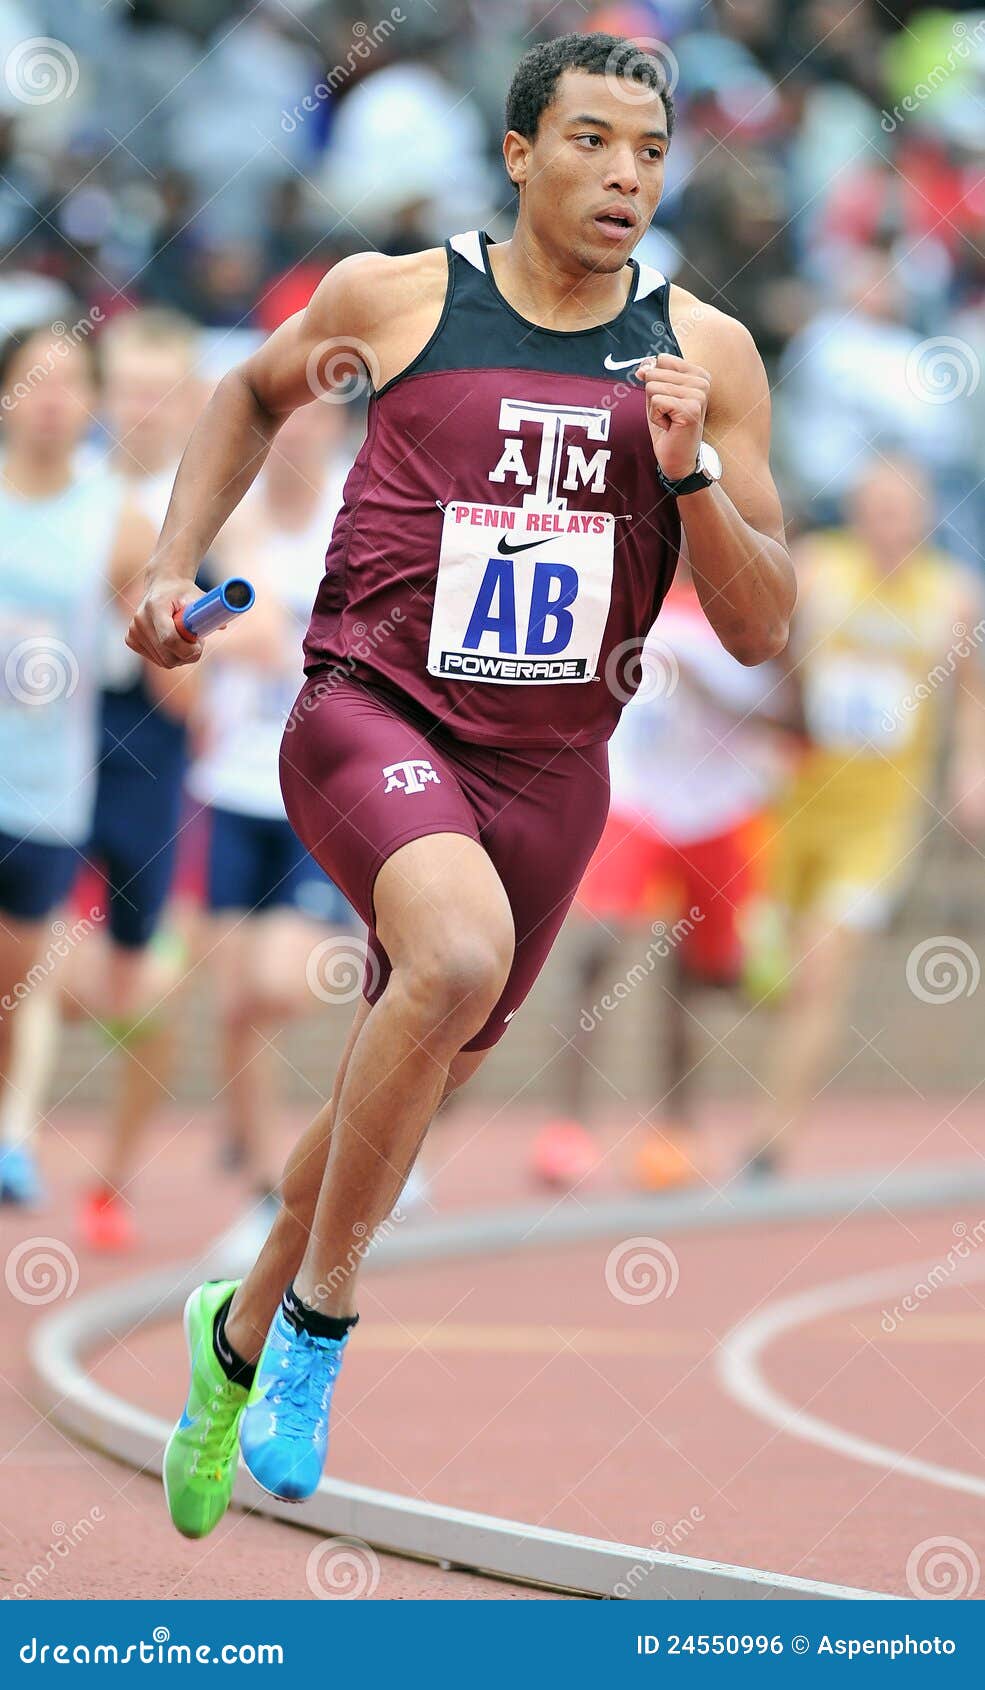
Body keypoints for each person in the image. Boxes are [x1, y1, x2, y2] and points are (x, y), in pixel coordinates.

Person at [127, 33, 794, 1539]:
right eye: (590, 142)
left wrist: (685, 477)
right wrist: (173, 568)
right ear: (517, 152)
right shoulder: (401, 297)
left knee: (408, 1069)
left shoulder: (707, 352)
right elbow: (246, 393)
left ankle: (231, 1335)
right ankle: (318, 1324)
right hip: (369, 706)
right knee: (454, 957)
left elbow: (762, 629)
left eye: (648, 149)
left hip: (554, 769)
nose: (624, 173)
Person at [743, 454, 985, 1176]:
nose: (888, 525)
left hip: (877, 821)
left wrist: (969, 768)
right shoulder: (817, 567)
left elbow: (969, 691)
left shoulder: (951, 595)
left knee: (821, 972)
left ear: (922, 517)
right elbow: (762, 652)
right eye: (875, 510)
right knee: (761, 974)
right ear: (855, 512)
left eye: (901, 512)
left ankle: (770, 1140)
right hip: (788, 804)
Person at [533, 561, 789, 1192]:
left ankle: (673, 1132)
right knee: (597, 953)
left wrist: (713, 689)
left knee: (701, 980)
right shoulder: (627, 583)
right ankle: (568, 1131)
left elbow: (798, 723)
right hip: (635, 798)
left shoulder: (753, 601)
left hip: (721, 808)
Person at [188, 404, 359, 1252]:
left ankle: (359, 1155)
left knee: (280, 985)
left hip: (318, 790)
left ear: (335, 429)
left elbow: (289, 638)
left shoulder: (356, 512)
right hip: (232, 786)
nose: (293, 437)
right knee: (232, 1006)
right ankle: (265, 1188)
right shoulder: (237, 512)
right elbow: (227, 631)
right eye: (280, 422)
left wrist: (272, 632)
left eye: (311, 422)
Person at [0, 324, 154, 1204]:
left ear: (92, 402)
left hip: (46, 794)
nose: (51, 399)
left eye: (69, 383)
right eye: (34, 380)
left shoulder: (118, 519)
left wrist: (176, 636)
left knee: (16, 997)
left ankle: (9, 1139)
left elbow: (150, 633)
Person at [68, 308, 207, 1250]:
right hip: (53, 734)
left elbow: (192, 696)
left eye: (161, 394)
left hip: (154, 752)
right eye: (128, 389)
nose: (142, 410)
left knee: (145, 994)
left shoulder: (200, 511)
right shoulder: (61, 485)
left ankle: (112, 1179)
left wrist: (140, 594)